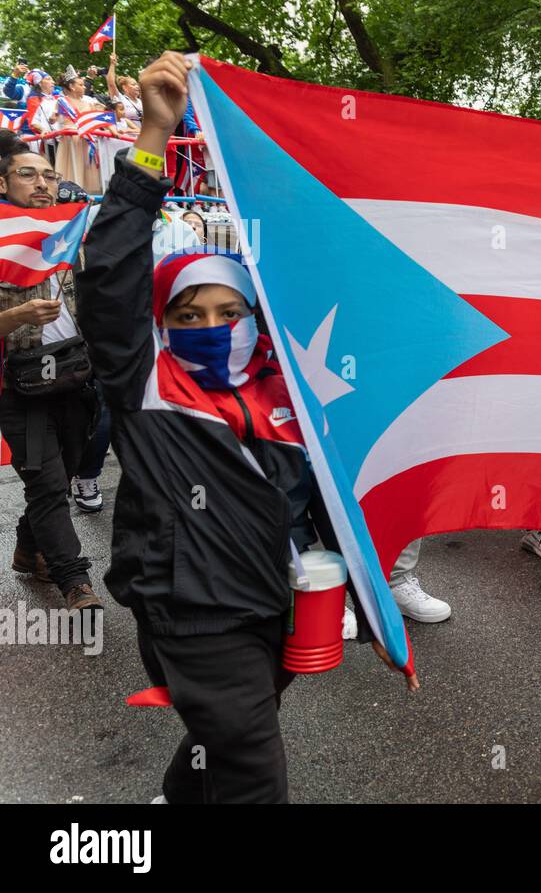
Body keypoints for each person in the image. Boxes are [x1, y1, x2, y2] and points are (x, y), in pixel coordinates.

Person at [77, 52, 413, 803]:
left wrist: (364, 586)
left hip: (284, 599)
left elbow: (328, 493)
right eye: (187, 315)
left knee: (234, 730)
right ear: (161, 325)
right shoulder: (146, 384)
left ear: (254, 319)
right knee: (255, 772)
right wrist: (152, 141)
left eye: (227, 312)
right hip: (193, 611)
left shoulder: (292, 390)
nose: (210, 326)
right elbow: (107, 280)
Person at [0, 149, 102, 610]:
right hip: (19, 386)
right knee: (45, 483)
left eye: (49, 175)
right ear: (3, 184)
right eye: (27, 174)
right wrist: (15, 316)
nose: (42, 183)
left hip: (76, 377)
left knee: (60, 479)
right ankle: (74, 580)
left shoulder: (71, 232)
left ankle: (28, 547)